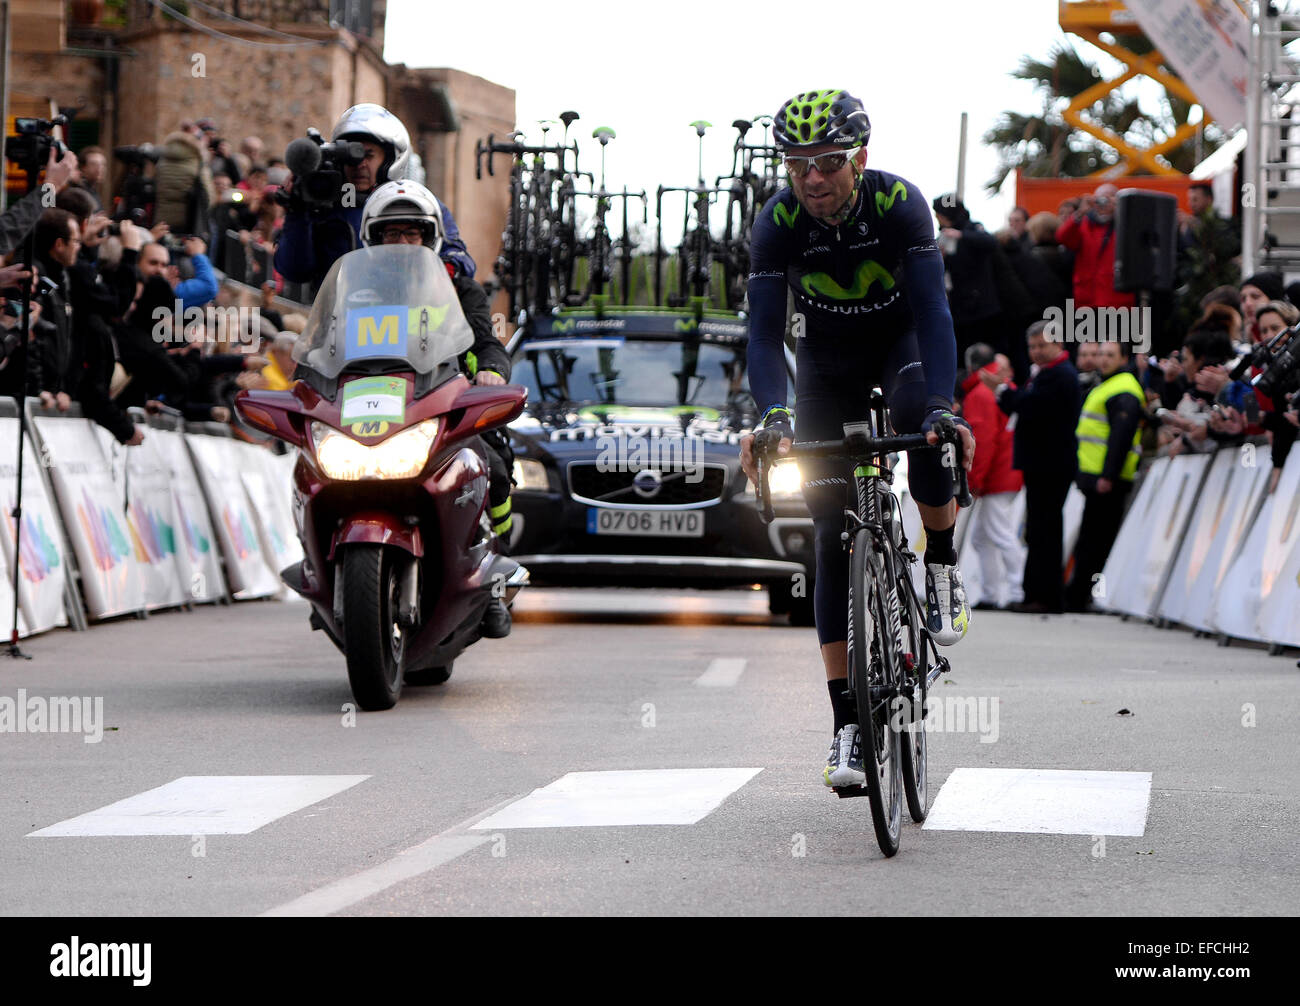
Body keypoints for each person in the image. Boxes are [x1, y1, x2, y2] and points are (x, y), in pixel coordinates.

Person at [738, 89, 975, 789]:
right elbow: (760, 331)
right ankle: (847, 723)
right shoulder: (777, 222)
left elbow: (933, 310)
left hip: (898, 344)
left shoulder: (899, 203)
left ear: (859, 159)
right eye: (798, 164)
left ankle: (939, 565)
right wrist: (772, 414)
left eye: (830, 162)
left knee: (926, 431)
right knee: (830, 529)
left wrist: (940, 403)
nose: (813, 179)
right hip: (825, 363)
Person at [356, 179, 516, 640]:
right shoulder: (357, 288)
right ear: (374, 238)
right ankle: (321, 567)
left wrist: (490, 371)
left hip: (438, 407)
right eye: (392, 233)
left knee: (495, 469)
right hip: (367, 407)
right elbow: (321, 345)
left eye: (412, 233)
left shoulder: (459, 289)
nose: (402, 243)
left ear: (430, 238)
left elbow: (487, 341)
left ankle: (492, 582)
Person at [273, 103, 475, 290]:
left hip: (406, 316)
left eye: (368, 155)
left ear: (389, 160)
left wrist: (441, 274)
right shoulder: (323, 203)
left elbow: (459, 258)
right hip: (338, 320)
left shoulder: (416, 204)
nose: (359, 164)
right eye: (350, 157)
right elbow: (295, 271)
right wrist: (298, 211)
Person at [992, 320, 1080, 614]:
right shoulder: (1044, 374)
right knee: (1038, 529)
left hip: (1051, 464)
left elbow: (1030, 407)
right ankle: (1035, 594)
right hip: (1042, 463)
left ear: (1058, 345)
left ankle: (1046, 596)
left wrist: (1005, 392)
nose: (1036, 352)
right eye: (1032, 347)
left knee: (1046, 530)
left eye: (1042, 345)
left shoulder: (1060, 376)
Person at [1064, 340, 1143, 612]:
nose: (1104, 359)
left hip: (1107, 480)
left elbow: (1121, 438)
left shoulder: (1123, 389)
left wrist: (1108, 475)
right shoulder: (1108, 385)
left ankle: (1081, 595)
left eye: (1111, 355)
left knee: (1095, 541)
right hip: (1097, 477)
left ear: (1124, 358)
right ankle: (1079, 594)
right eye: (1102, 354)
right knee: (1090, 538)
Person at [961, 345, 1025, 609]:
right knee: (986, 536)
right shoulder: (991, 392)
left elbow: (983, 441)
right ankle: (996, 593)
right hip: (1003, 473)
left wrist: (974, 480)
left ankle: (1015, 591)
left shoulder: (979, 394)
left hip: (997, 476)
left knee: (999, 534)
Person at [1056, 183, 1136, 314]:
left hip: (1118, 303)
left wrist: (1122, 208)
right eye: (1099, 199)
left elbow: (1139, 240)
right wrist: (1080, 212)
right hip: (1086, 302)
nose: (1103, 203)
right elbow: (1062, 237)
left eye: (1109, 198)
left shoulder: (1125, 224)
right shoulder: (1084, 224)